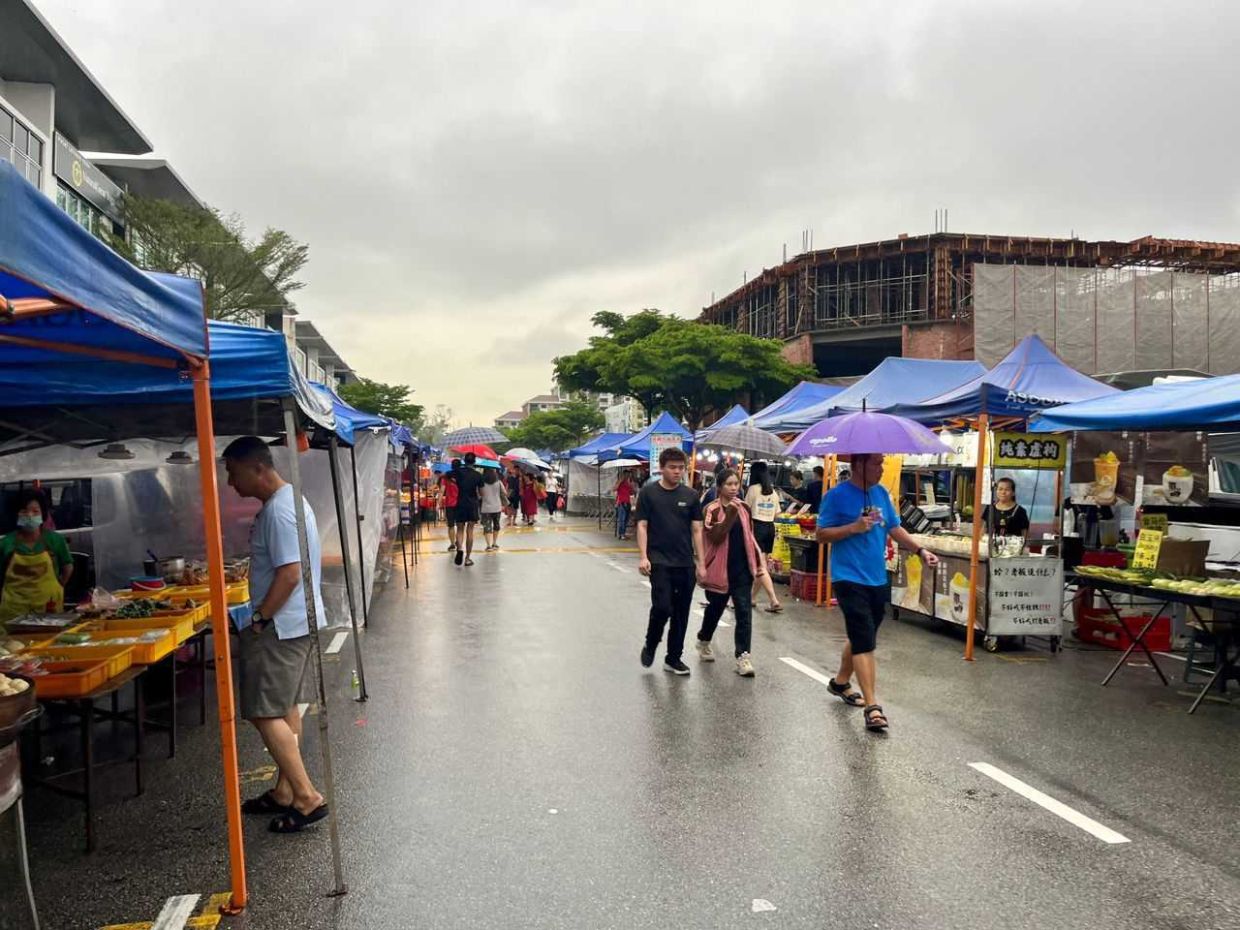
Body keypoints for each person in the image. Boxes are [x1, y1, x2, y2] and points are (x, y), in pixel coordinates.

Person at [224, 436, 328, 833]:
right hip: (295, 622)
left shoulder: (281, 512)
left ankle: (306, 796)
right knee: (285, 707)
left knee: (263, 711)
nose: (232, 483)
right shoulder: (286, 503)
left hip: (282, 626)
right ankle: (285, 792)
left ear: (257, 469)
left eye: (234, 473)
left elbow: (290, 571)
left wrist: (260, 619)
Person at [815, 452, 939, 733]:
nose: (882, 468)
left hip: (876, 577)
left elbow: (894, 528)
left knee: (864, 635)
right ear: (858, 465)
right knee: (863, 637)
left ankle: (840, 683)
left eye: (882, 463)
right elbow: (821, 535)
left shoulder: (881, 493)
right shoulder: (836, 496)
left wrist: (920, 550)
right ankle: (873, 707)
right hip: (848, 576)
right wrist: (852, 528)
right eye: (876, 463)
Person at [636, 447, 706, 676]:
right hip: (659, 561)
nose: (677, 472)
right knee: (663, 607)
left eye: (681, 468)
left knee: (681, 612)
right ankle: (652, 641)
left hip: (685, 562)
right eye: (672, 467)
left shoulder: (691, 496)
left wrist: (702, 563)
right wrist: (644, 556)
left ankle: (673, 658)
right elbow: (642, 525)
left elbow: (697, 530)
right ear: (662, 468)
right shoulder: (648, 493)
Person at [696, 469, 762, 677]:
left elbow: (749, 536)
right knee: (715, 608)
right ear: (720, 487)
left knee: (744, 612)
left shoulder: (744, 508)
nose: (734, 488)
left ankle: (743, 656)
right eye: (729, 484)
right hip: (718, 569)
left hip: (741, 567)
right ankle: (704, 640)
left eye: (737, 484)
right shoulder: (711, 509)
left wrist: (757, 562)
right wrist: (728, 516)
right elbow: (714, 537)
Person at [0, 489, 74, 625]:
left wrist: (58, 586)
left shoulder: (54, 540)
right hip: (13, 610)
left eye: (35, 511)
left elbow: (67, 566)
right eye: (24, 511)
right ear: (16, 514)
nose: (29, 515)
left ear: (42, 514)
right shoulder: (6, 543)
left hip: (48, 609)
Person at [744, 461, 784, 613]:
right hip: (770, 528)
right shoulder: (772, 491)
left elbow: (745, 510)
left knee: (760, 567)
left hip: (757, 527)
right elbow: (777, 514)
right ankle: (752, 598)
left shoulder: (753, 489)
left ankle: (774, 600)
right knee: (763, 565)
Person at [453, 453, 484, 566]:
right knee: (470, 530)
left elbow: (449, 477)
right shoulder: (478, 475)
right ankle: (467, 558)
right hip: (472, 505)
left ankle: (460, 548)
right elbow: (482, 493)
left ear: (464, 461)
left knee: (460, 528)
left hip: (460, 503)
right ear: (474, 462)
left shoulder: (458, 472)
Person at [479, 467, 507, 551]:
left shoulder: (482, 483)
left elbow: (480, 495)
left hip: (486, 508)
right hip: (497, 507)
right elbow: (505, 493)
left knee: (487, 526)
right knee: (496, 525)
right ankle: (494, 543)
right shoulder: (498, 482)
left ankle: (488, 545)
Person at [440, 462, 461, 552]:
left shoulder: (446, 477)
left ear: (452, 467)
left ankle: (452, 544)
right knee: (460, 525)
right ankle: (458, 542)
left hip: (449, 504)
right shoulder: (463, 476)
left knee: (451, 525)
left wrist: (438, 503)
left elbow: (441, 491)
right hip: (460, 504)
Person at [615, 472, 635, 539]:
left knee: (626, 520)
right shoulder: (619, 483)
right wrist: (620, 481)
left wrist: (631, 485)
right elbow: (614, 489)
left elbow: (632, 492)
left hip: (628, 502)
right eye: (626, 475)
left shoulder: (628, 483)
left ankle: (623, 533)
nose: (627, 476)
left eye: (628, 475)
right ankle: (621, 534)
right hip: (621, 503)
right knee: (622, 519)